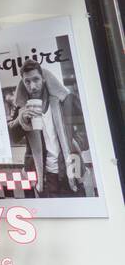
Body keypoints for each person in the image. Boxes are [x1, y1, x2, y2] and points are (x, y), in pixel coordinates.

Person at [9, 60, 90, 197]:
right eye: (27, 82)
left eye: (36, 79)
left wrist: (74, 143)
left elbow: (87, 127)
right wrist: (20, 120)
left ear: (44, 79)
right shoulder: (22, 108)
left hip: (70, 168)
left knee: (81, 210)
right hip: (44, 177)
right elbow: (12, 138)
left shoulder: (64, 101)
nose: (32, 86)